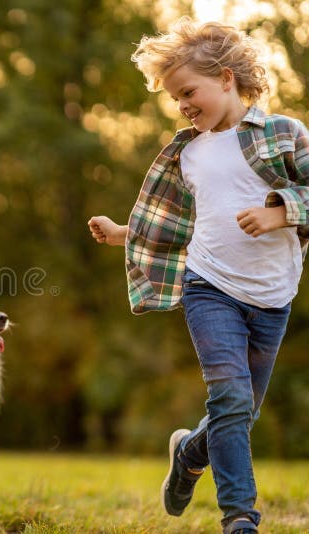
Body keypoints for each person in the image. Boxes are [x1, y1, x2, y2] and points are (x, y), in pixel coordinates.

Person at [87, 18, 309, 534]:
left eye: (189, 91)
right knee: (229, 400)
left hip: (273, 296)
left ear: (227, 78)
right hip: (209, 287)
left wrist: (281, 211)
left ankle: (189, 453)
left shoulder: (284, 134)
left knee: (241, 413)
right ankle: (240, 518)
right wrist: (125, 232)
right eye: (175, 99)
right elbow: (180, 224)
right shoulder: (186, 152)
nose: (184, 105)